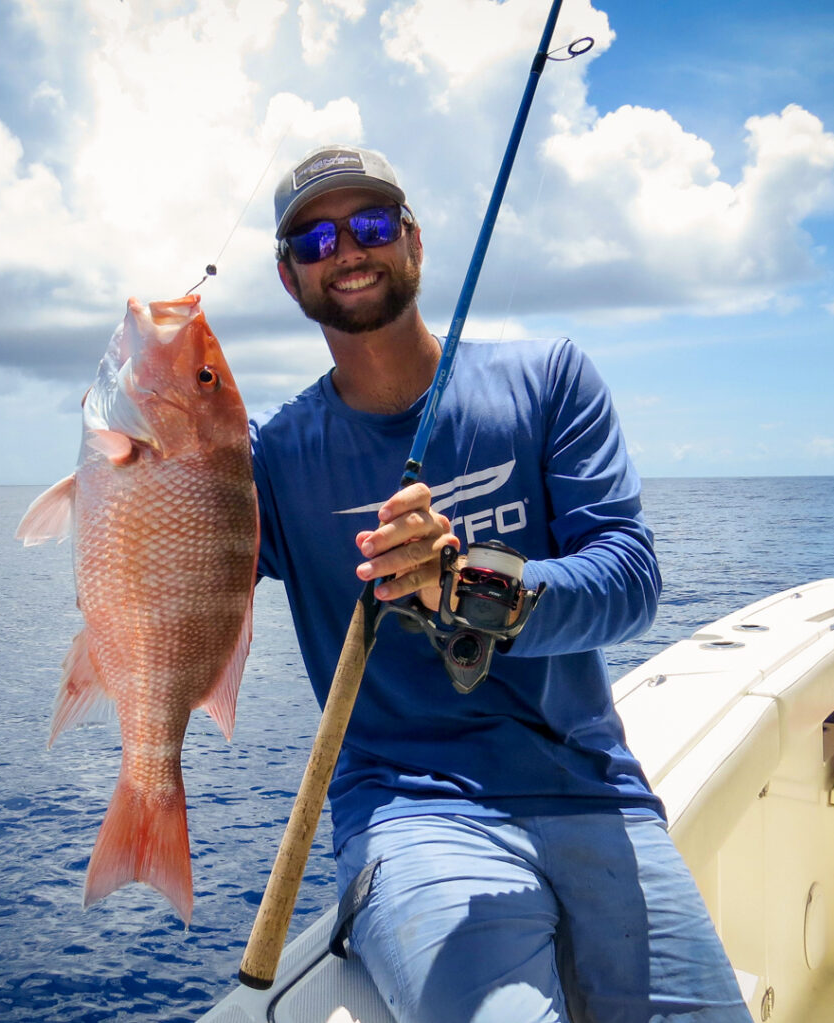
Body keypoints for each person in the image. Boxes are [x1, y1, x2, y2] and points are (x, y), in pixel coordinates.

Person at [249, 143, 753, 1023]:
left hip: (595, 792)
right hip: (409, 813)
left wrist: (465, 585)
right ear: (289, 278)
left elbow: (628, 577)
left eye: (369, 225)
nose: (347, 251)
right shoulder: (274, 457)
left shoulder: (549, 378)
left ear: (413, 241)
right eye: (314, 241)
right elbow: (167, 564)